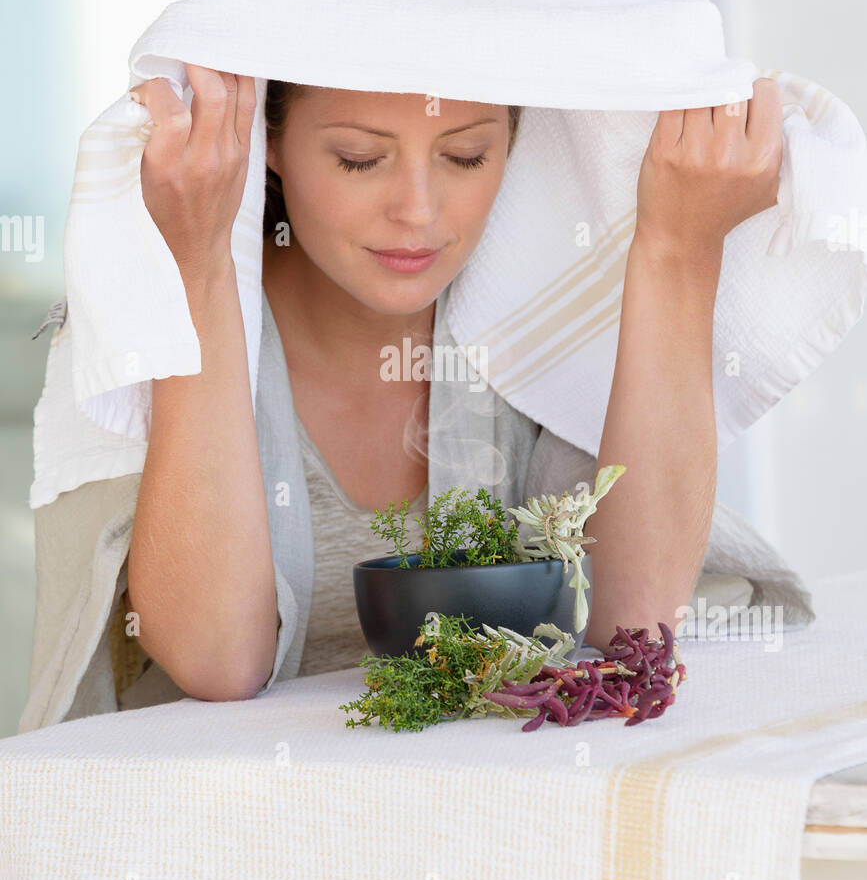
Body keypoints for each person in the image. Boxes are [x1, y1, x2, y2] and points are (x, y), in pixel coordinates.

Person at [119, 63, 782, 702]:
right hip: (219, 809)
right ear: (267, 142)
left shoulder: (546, 323)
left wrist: (680, 252)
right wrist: (197, 268)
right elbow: (217, 664)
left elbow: (630, 628)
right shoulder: (148, 326)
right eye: (357, 158)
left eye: (465, 156)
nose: (417, 210)